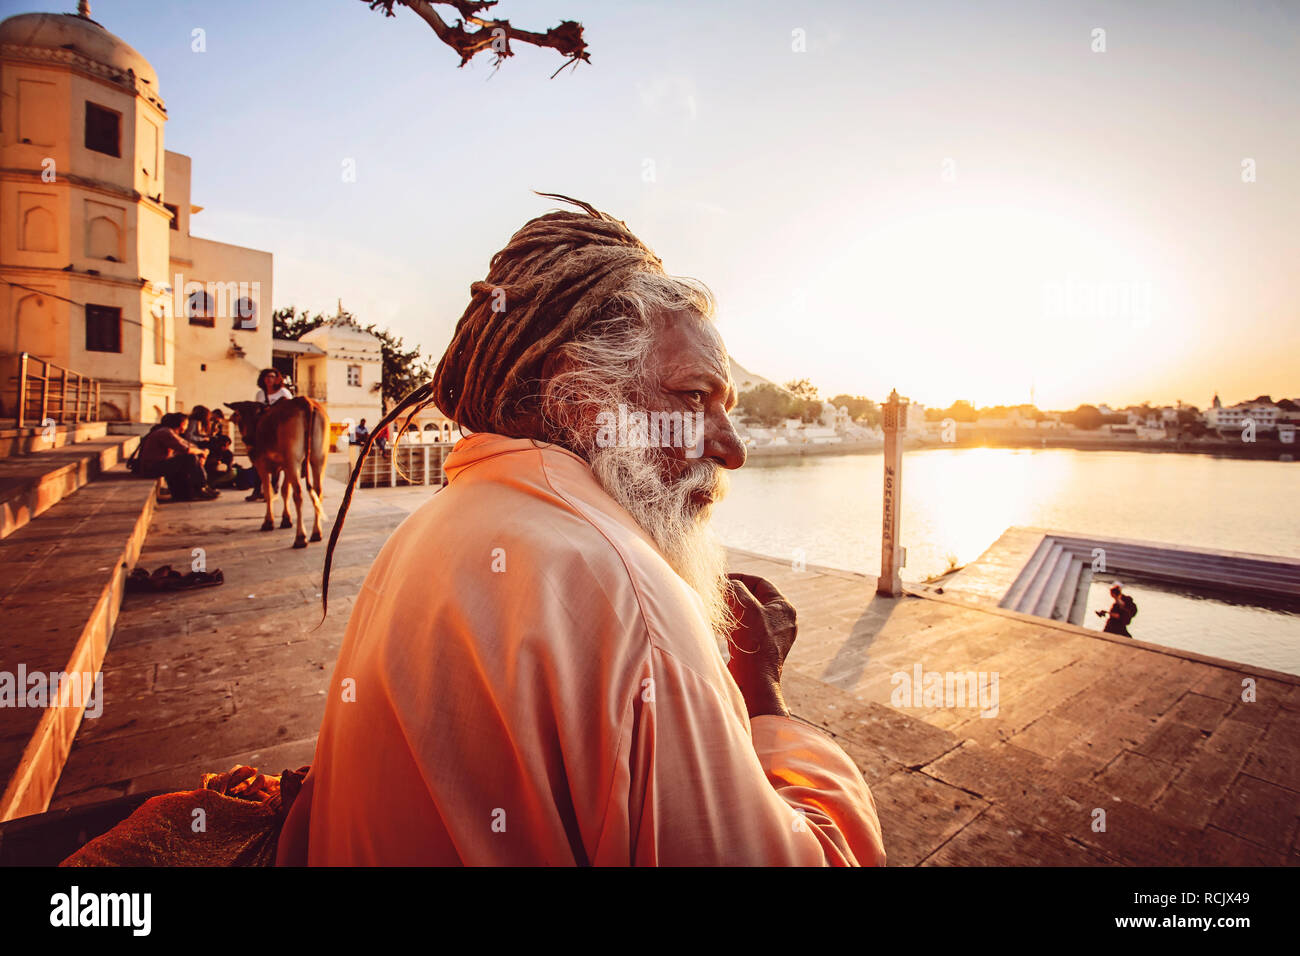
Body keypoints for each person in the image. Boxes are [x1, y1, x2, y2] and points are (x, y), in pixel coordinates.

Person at [277, 195, 886, 866]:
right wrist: (762, 697)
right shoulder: (628, 598)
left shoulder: (426, 529)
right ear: (577, 400)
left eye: (725, 407)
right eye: (693, 398)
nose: (732, 448)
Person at [137, 413, 219, 501]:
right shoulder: (165, 432)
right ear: (182, 424)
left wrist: (201, 453)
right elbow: (186, 449)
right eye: (186, 424)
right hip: (151, 468)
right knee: (189, 458)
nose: (187, 427)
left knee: (188, 458)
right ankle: (200, 488)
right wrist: (202, 452)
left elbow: (187, 444)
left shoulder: (169, 432)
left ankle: (189, 492)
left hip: (155, 465)